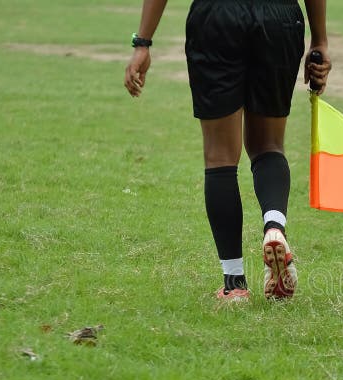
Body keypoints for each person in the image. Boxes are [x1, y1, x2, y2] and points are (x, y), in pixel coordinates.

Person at [124, 0, 332, 301]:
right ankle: (274, 226)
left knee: (220, 156)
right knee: (268, 145)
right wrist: (320, 40)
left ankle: (234, 285)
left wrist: (142, 43)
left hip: (216, 18)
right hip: (278, 19)